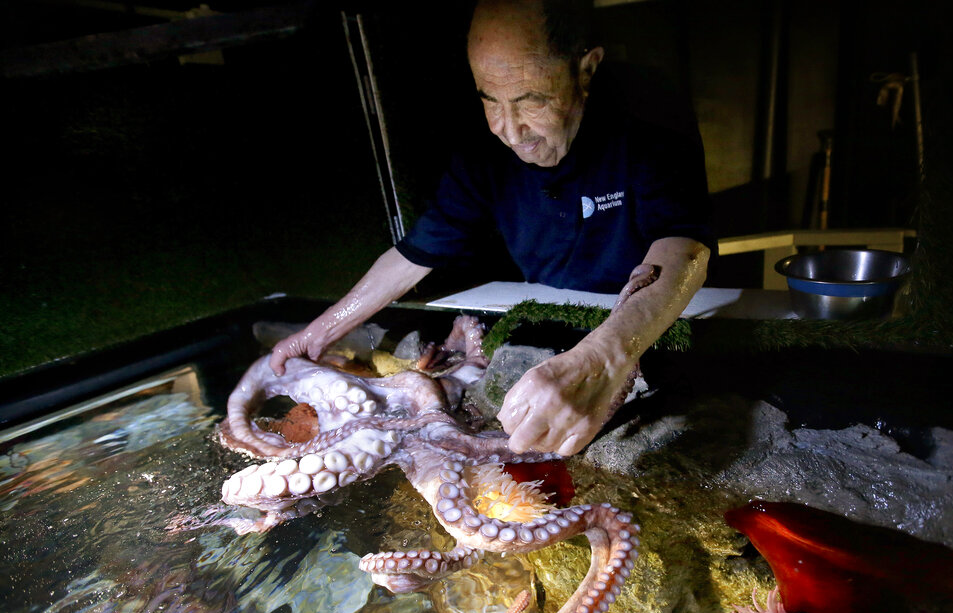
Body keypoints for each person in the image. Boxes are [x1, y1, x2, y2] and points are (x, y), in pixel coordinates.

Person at [270, 0, 713, 457]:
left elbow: (685, 246)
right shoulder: (482, 149)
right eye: (490, 101)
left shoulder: (647, 110)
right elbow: (414, 255)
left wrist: (603, 360)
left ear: (585, 69)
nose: (510, 130)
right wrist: (318, 333)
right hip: (549, 316)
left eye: (532, 101)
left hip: (652, 319)